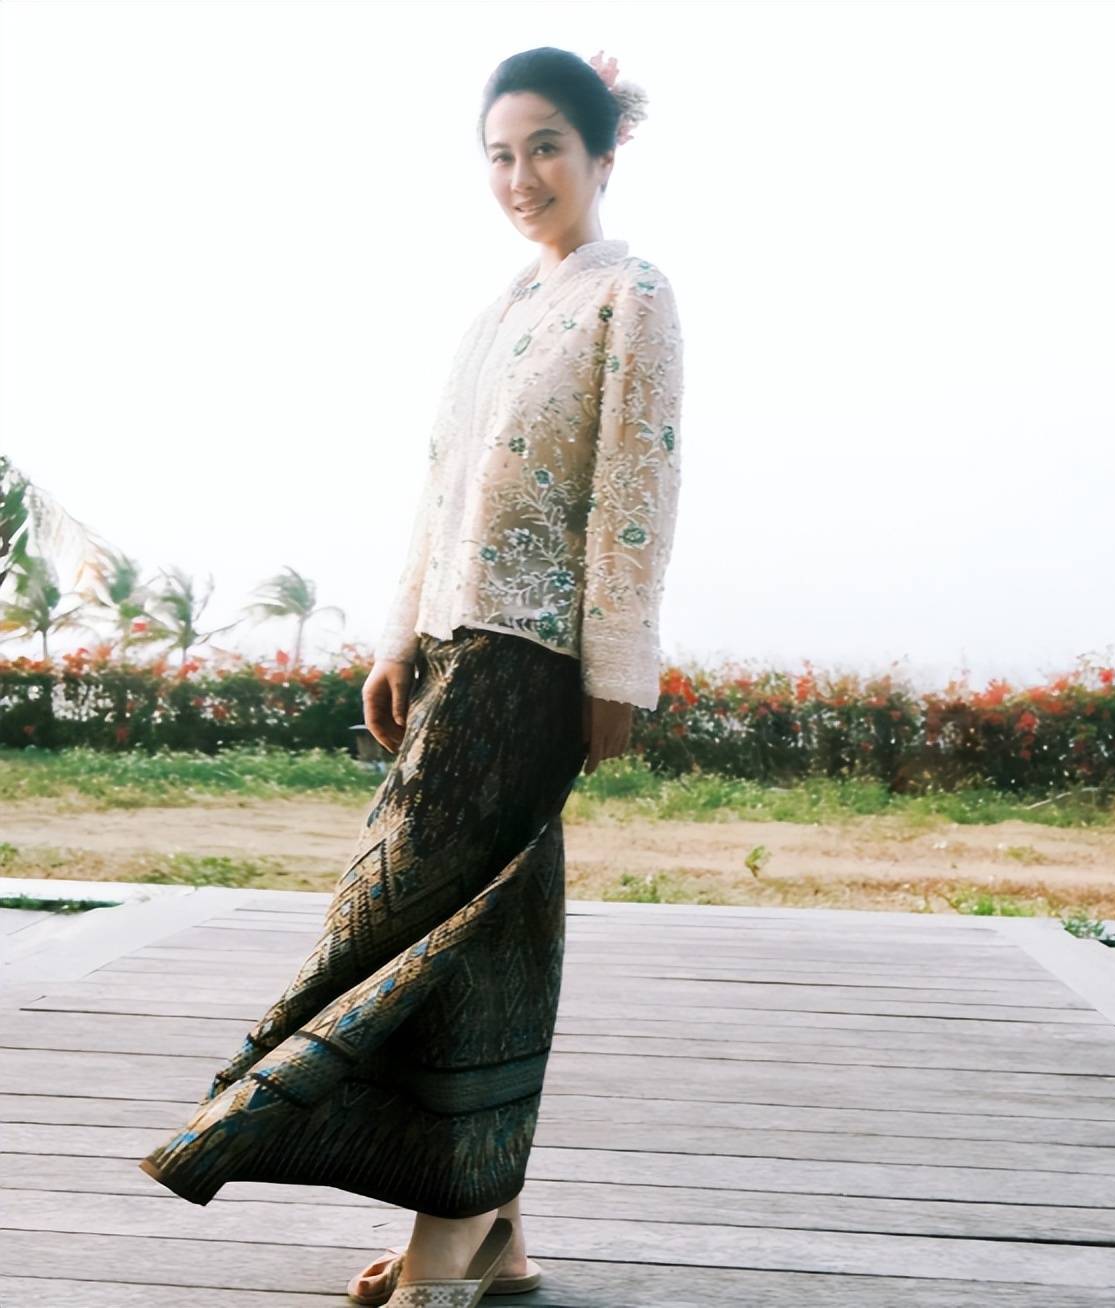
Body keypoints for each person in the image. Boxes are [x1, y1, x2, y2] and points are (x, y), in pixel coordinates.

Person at [137, 44, 683, 1308]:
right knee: (485, 935)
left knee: (394, 923)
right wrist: (396, 640)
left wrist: (614, 665)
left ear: (602, 154)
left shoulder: (632, 293)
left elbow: (637, 485)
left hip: (531, 659)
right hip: (449, 650)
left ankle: (448, 1221)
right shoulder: (495, 313)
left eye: (545, 148)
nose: (520, 176)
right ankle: (492, 1232)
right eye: (499, 155)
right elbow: (439, 497)